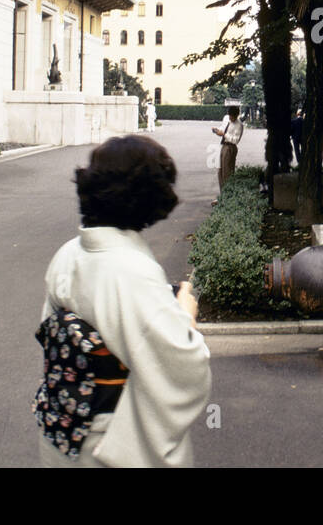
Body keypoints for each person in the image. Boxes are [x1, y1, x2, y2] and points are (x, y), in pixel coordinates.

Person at [35, 134, 211, 467]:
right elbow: (182, 366)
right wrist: (185, 313)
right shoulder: (131, 270)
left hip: (66, 428)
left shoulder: (68, 254)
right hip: (108, 436)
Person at [211, 104, 243, 196]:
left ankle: (229, 195)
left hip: (230, 147)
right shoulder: (226, 118)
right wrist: (217, 131)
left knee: (227, 173)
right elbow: (222, 128)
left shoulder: (239, 125)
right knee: (220, 171)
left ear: (237, 116)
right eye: (229, 116)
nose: (230, 118)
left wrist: (224, 135)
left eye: (232, 117)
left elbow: (235, 140)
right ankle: (223, 195)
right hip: (223, 145)